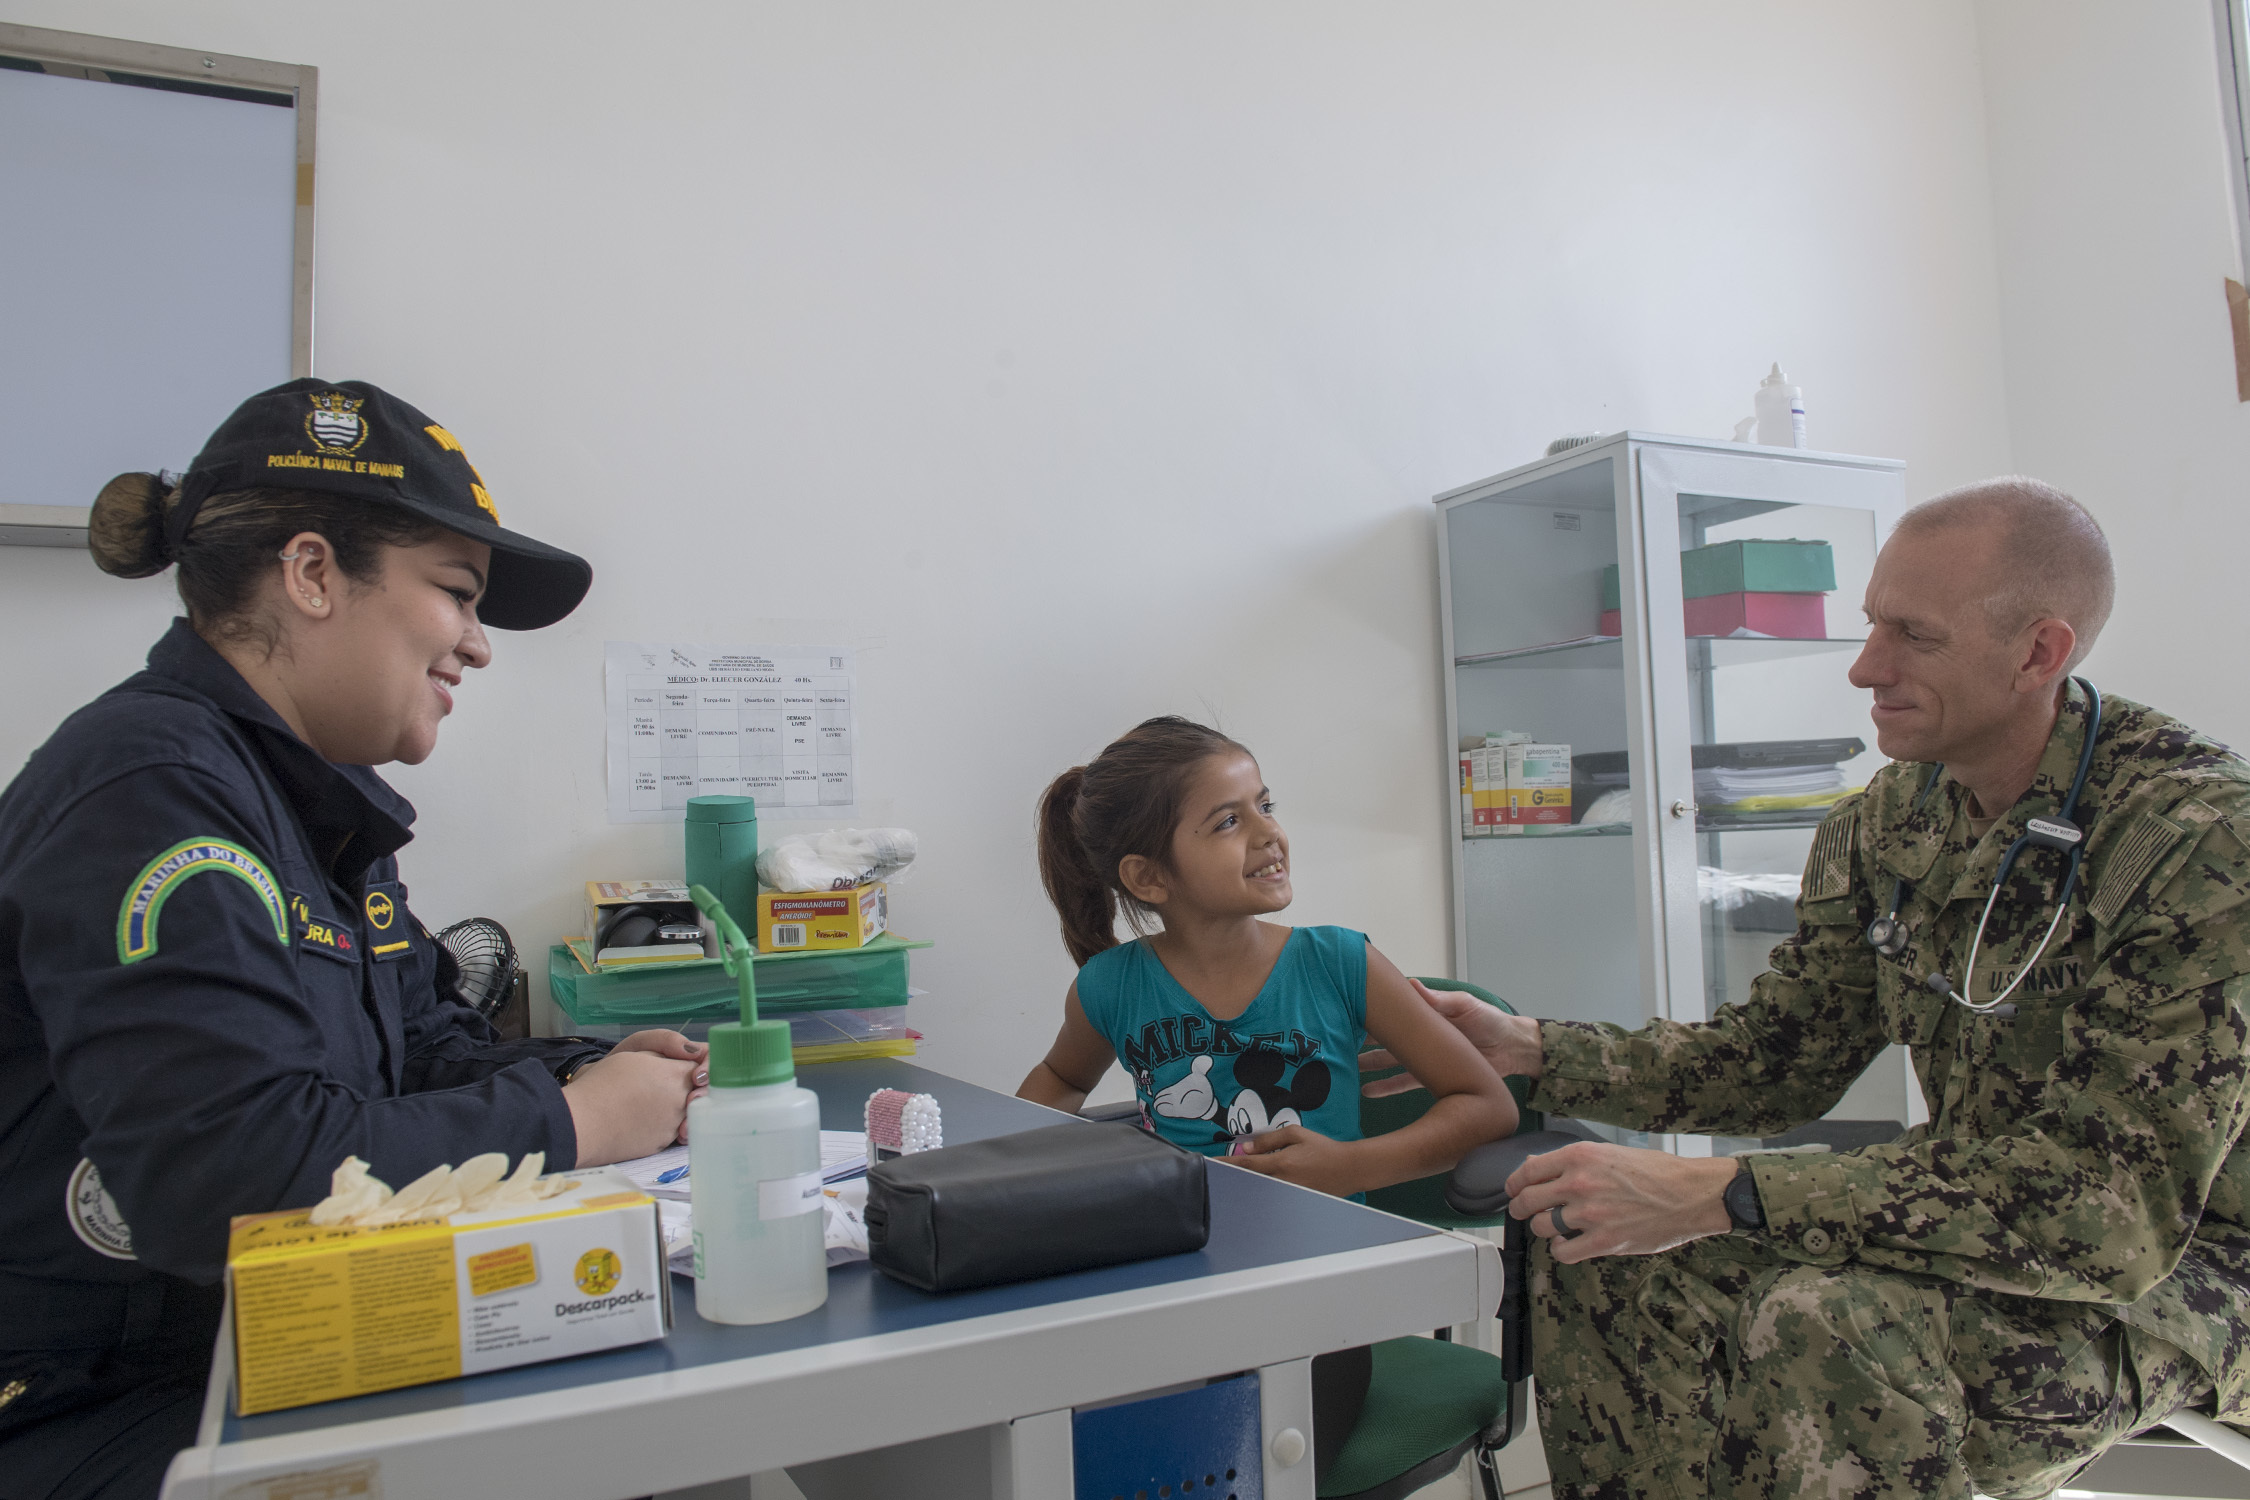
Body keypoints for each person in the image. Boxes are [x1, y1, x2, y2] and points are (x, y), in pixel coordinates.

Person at [1365, 478, 2250, 1499]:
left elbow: (2107, 1211)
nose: (1867, 668)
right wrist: (1529, 1047)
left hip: (2197, 1262)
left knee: (1822, 1324)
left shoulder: (2198, 844)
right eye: (1872, 624)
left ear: (2040, 653)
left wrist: (1726, 1193)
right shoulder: (1889, 820)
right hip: (1973, 1221)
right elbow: (1772, 1065)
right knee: (1595, 1249)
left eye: (1913, 636)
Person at [0, 380, 707, 1500]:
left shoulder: (317, 806)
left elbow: (425, 1042)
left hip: (267, 1355)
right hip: (95, 1402)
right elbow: (232, 1182)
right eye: (456, 594)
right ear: (314, 572)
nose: (476, 645)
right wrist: (575, 1119)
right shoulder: (150, 791)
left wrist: (620, 1075)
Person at [1017, 715, 1517, 1195]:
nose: (1268, 834)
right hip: (1183, 1249)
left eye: (1266, 807)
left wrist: (1352, 1167)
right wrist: (1000, 1168)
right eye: (1229, 821)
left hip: (1330, 1258)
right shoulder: (1109, 986)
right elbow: (1061, 1078)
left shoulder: (1342, 962)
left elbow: (1488, 1106)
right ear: (1149, 877)